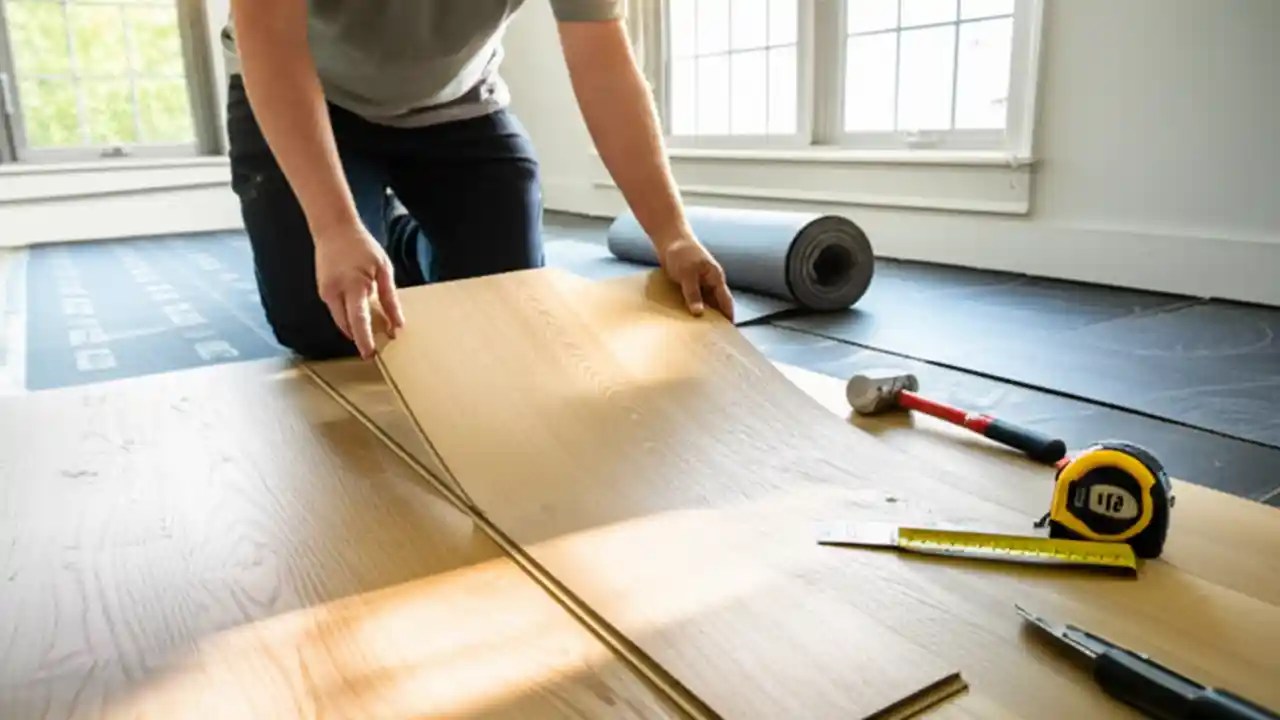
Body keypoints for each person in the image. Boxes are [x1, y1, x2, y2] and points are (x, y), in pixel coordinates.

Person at [224, 0, 735, 360]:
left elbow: (602, 59)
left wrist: (672, 234)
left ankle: (400, 242)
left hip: (455, 101)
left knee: (505, 310)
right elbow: (269, 36)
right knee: (330, 329)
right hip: (308, 93)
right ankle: (362, 226)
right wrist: (335, 228)